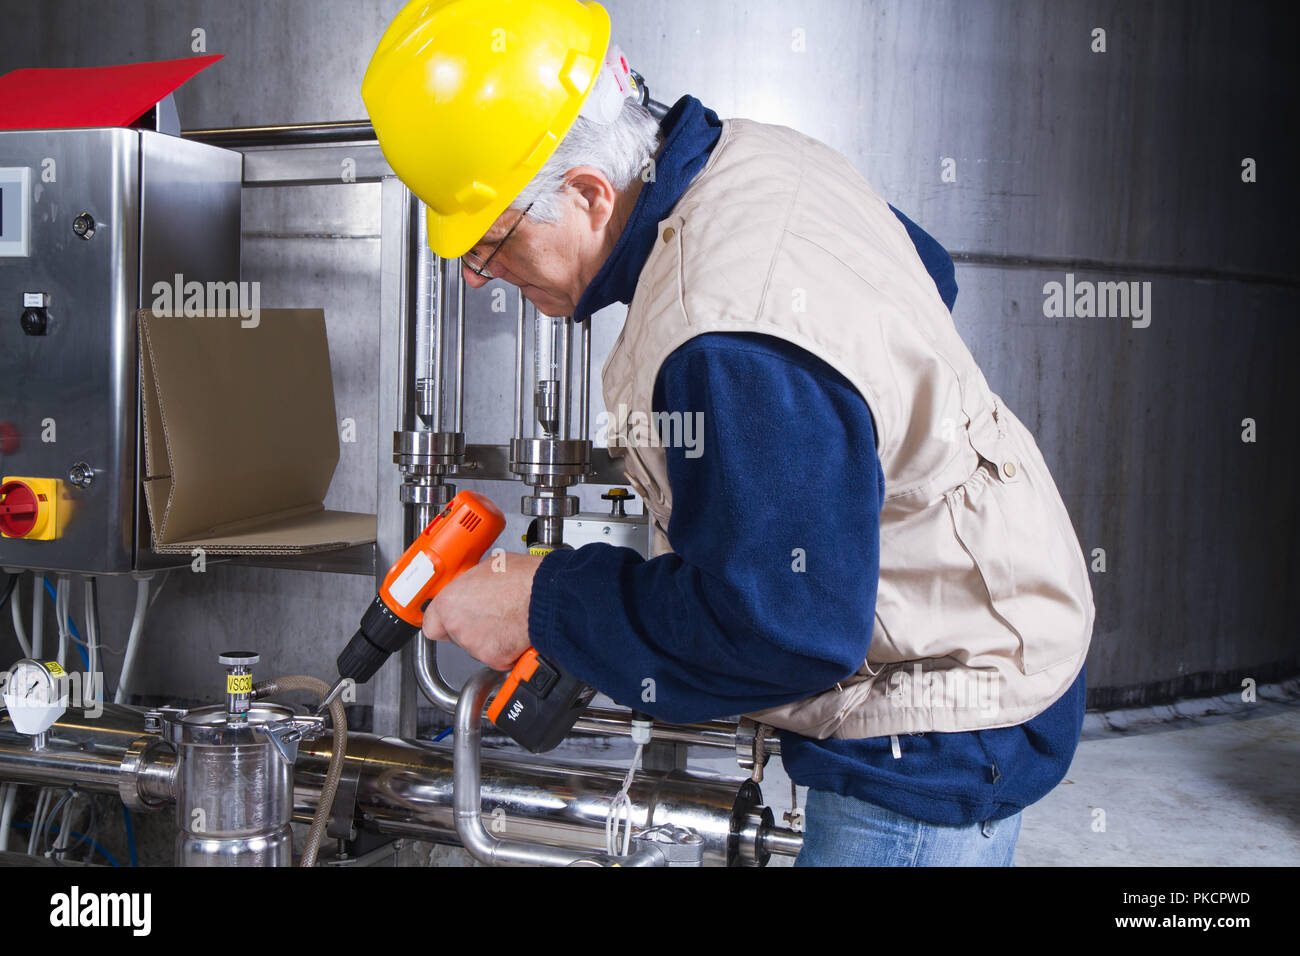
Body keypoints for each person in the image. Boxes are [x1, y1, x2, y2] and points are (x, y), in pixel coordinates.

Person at [363, 0, 1095, 866]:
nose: (479, 278)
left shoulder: (724, 333)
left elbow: (781, 629)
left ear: (589, 193)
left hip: (938, 720)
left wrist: (540, 602)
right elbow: (927, 274)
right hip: (992, 613)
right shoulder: (757, 157)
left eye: (490, 244)